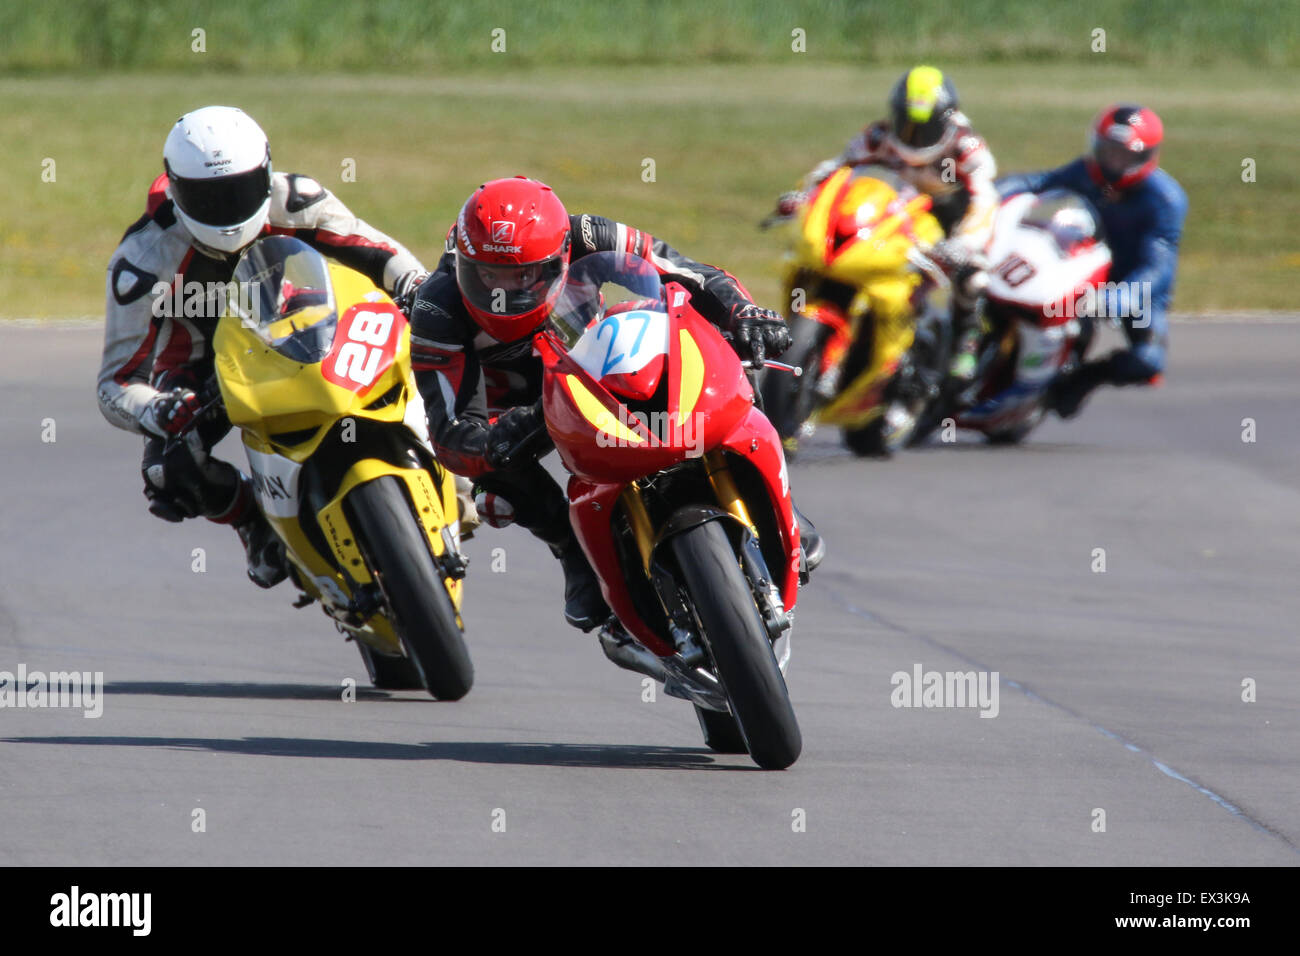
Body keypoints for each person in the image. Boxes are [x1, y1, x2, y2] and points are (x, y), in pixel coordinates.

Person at [407, 175, 822, 631]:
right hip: (515, 409)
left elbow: (688, 272)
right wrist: (488, 444)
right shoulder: (437, 307)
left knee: (724, 346)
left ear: (559, 257)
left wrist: (742, 311)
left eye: (523, 275)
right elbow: (448, 431)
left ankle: (778, 497)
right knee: (497, 486)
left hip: (589, 356)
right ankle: (573, 553)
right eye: (488, 276)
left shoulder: (588, 234)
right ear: (464, 263)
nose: (504, 293)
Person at [98, 105, 433, 587]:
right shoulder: (142, 261)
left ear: (267, 171)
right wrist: (157, 409)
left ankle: (450, 454)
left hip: (318, 323)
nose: (228, 211)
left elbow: (381, 254)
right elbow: (115, 382)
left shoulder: (298, 200)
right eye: (208, 198)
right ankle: (253, 522)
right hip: (206, 368)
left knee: (431, 348)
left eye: (239, 191)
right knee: (167, 474)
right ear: (174, 188)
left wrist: (419, 289)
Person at [774, 65, 1000, 380]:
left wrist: (965, 242)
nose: (912, 135)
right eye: (905, 124)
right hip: (899, 210)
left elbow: (985, 200)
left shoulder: (965, 148)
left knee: (974, 277)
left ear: (945, 120)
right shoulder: (878, 137)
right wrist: (803, 197)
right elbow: (835, 170)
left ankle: (965, 344)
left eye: (924, 128)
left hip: (950, 217)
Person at [996, 104, 1187, 418]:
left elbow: (1158, 264)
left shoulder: (1165, 199)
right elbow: (1041, 182)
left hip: (1135, 285)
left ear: (1146, 157)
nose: (1114, 161)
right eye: (1108, 150)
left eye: (1124, 155)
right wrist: (996, 192)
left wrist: (1123, 296)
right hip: (1084, 269)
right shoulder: (1087, 172)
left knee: (1148, 361)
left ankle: (1086, 377)